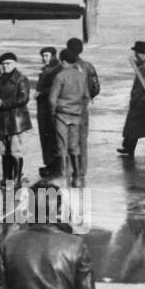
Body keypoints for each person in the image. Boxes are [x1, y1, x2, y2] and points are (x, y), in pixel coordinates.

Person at [48, 48, 88, 185]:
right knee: (74, 145)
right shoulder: (81, 76)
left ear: (63, 61)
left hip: (62, 115)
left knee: (61, 145)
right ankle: (77, 177)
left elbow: (52, 99)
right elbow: (86, 96)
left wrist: (53, 113)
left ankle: (63, 175)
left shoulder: (60, 76)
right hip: (76, 114)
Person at [0, 53, 32, 186]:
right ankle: (7, 178)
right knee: (4, 151)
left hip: (16, 121)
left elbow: (24, 98)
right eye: (3, 64)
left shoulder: (21, 79)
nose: (5, 66)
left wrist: (3, 104)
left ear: (14, 63)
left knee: (15, 151)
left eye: (8, 63)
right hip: (2, 121)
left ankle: (17, 179)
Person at [64, 37, 99, 180]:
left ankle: (67, 169)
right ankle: (81, 171)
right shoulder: (88, 66)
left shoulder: (64, 67)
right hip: (82, 108)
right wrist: (87, 98)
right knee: (82, 141)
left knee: (65, 140)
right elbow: (96, 87)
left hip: (66, 108)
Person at [117, 41, 145, 158]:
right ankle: (128, 146)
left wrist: (135, 100)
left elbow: (141, 87)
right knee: (134, 126)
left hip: (142, 101)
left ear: (143, 54)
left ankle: (129, 147)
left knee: (133, 125)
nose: (136, 56)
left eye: (137, 54)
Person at [34, 46, 60, 175]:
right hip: (44, 109)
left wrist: (40, 93)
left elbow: (55, 89)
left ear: (53, 56)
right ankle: (50, 164)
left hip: (48, 109)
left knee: (50, 138)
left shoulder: (55, 70)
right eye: (43, 56)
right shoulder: (48, 69)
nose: (44, 58)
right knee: (47, 138)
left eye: (47, 55)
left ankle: (53, 165)